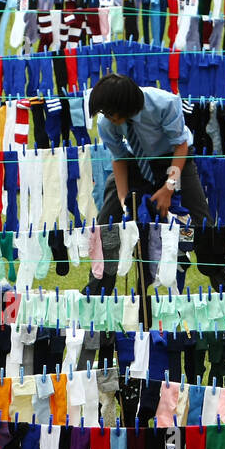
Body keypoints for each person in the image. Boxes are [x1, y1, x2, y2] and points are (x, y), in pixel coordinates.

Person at [86, 73, 208, 298]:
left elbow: (180, 146)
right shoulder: (108, 123)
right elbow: (119, 159)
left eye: (110, 112)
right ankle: (97, 288)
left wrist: (169, 187)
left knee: (201, 222)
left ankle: (213, 274)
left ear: (126, 106)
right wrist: (124, 201)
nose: (106, 118)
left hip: (174, 158)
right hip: (135, 162)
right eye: (104, 113)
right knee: (107, 223)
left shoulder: (165, 103)